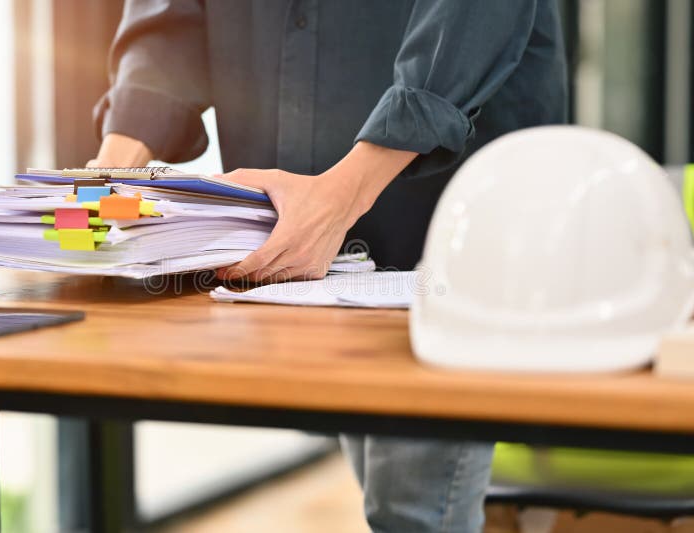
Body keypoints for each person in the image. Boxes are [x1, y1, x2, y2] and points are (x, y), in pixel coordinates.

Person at [92, 1, 567, 530]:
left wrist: (341, 197)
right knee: (390, 488)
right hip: (315, 242)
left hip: (442, 212)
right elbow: (171, 23)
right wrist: (108, 174)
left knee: (411, 508)